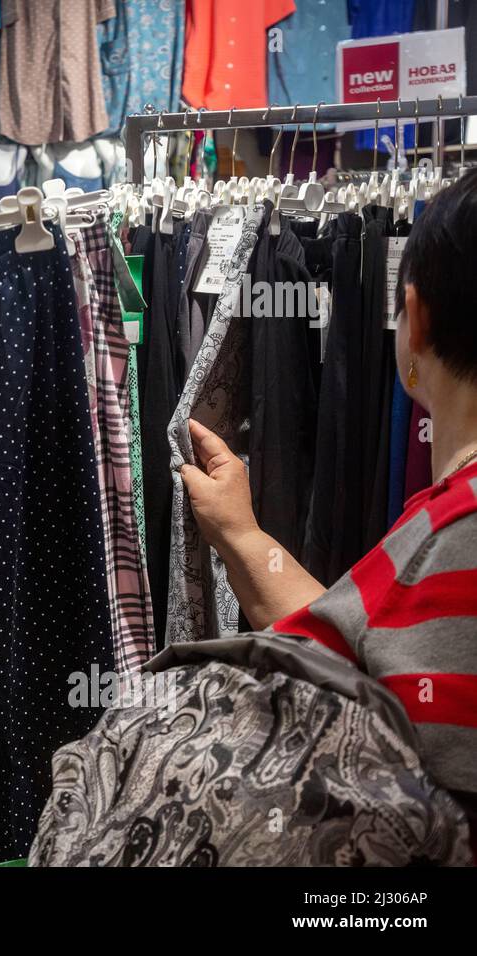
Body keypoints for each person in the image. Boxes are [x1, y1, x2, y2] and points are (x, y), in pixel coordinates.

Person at [182, 169, 477, 826]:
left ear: (417, 319)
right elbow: (351, 646)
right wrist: (242, 534)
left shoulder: (448, 542)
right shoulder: (438, 538)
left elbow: (334, 678)